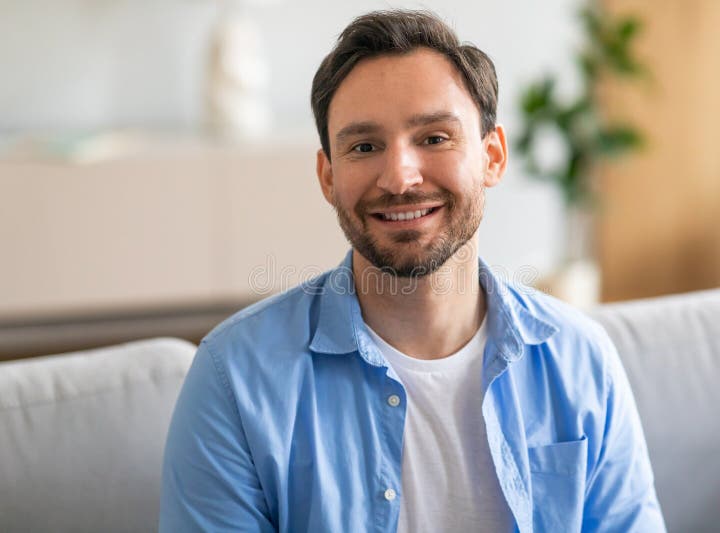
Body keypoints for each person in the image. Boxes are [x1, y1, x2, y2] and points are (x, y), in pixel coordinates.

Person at [159, 9, 666, 533]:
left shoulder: (582, 361)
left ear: (492, 157)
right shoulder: (234, 379)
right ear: (328, 176)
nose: (399, 177)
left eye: (435, 138)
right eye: (364, 147)